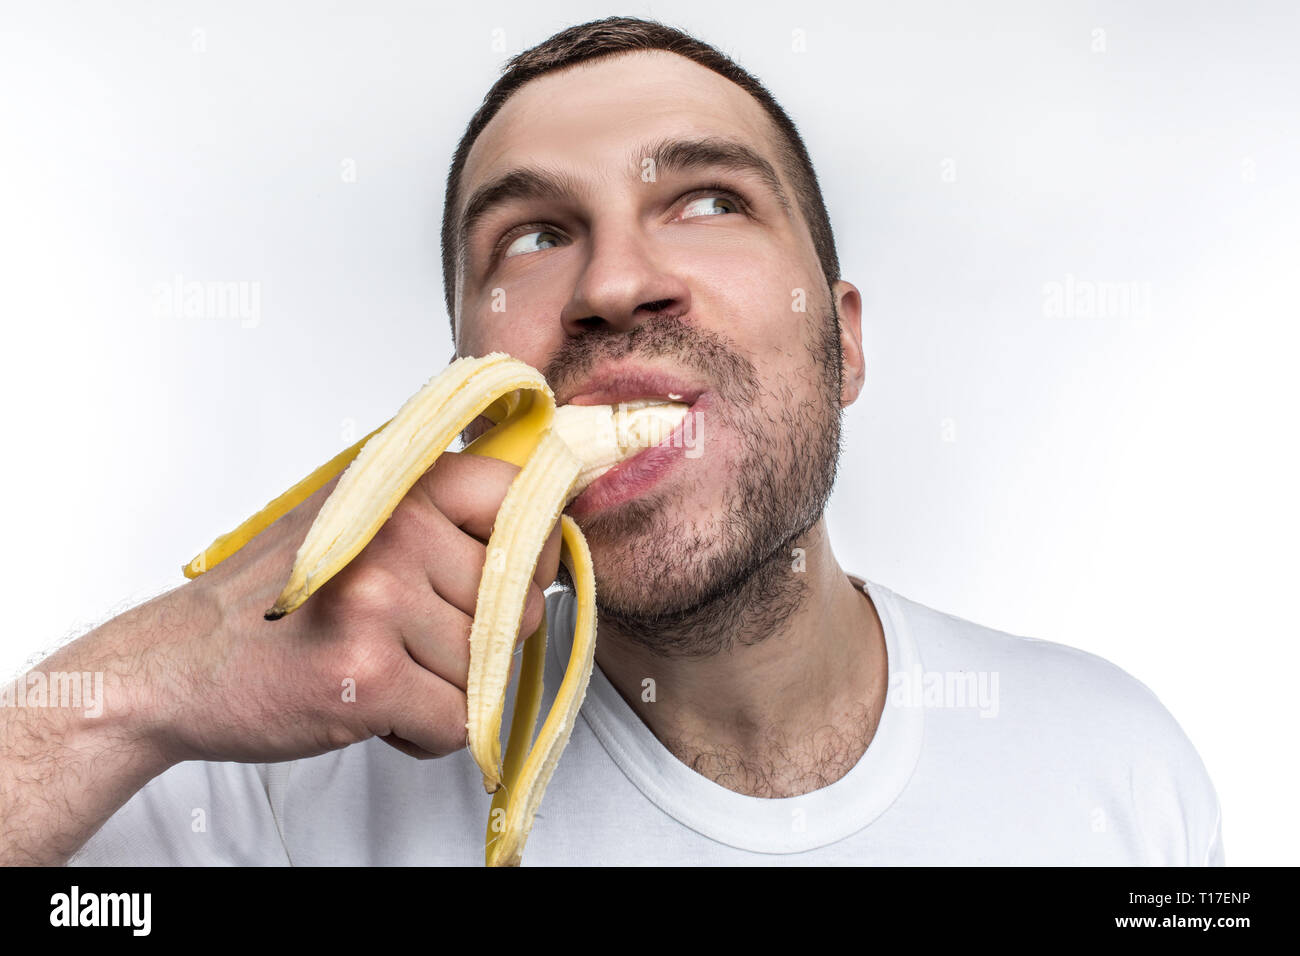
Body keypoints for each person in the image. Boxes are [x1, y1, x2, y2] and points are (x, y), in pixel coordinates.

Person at [0, 16, 1222, 866]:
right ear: (472, 397)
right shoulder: (266, 789)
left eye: (707, 199)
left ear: (843, 345)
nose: (618, 281)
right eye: (531, 233)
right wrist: (145, 680)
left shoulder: (1115, 763)